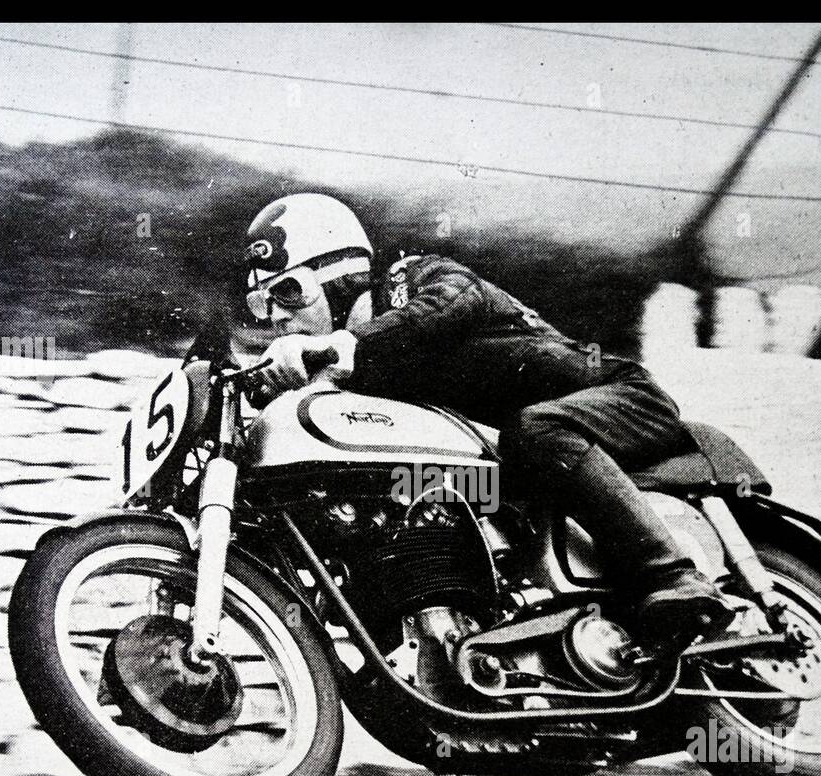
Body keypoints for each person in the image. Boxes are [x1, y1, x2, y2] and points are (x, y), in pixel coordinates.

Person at [212, 192, 733, 651]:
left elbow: (457, 300)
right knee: (420, 486)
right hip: (528, 457)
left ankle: (676, 576)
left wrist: (334, 346)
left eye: (288, 293)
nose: (276, 315)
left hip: (616, 394)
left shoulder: (412, 279)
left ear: (340, 277)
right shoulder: (358, 382)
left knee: (537, 429)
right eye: (263, 301)